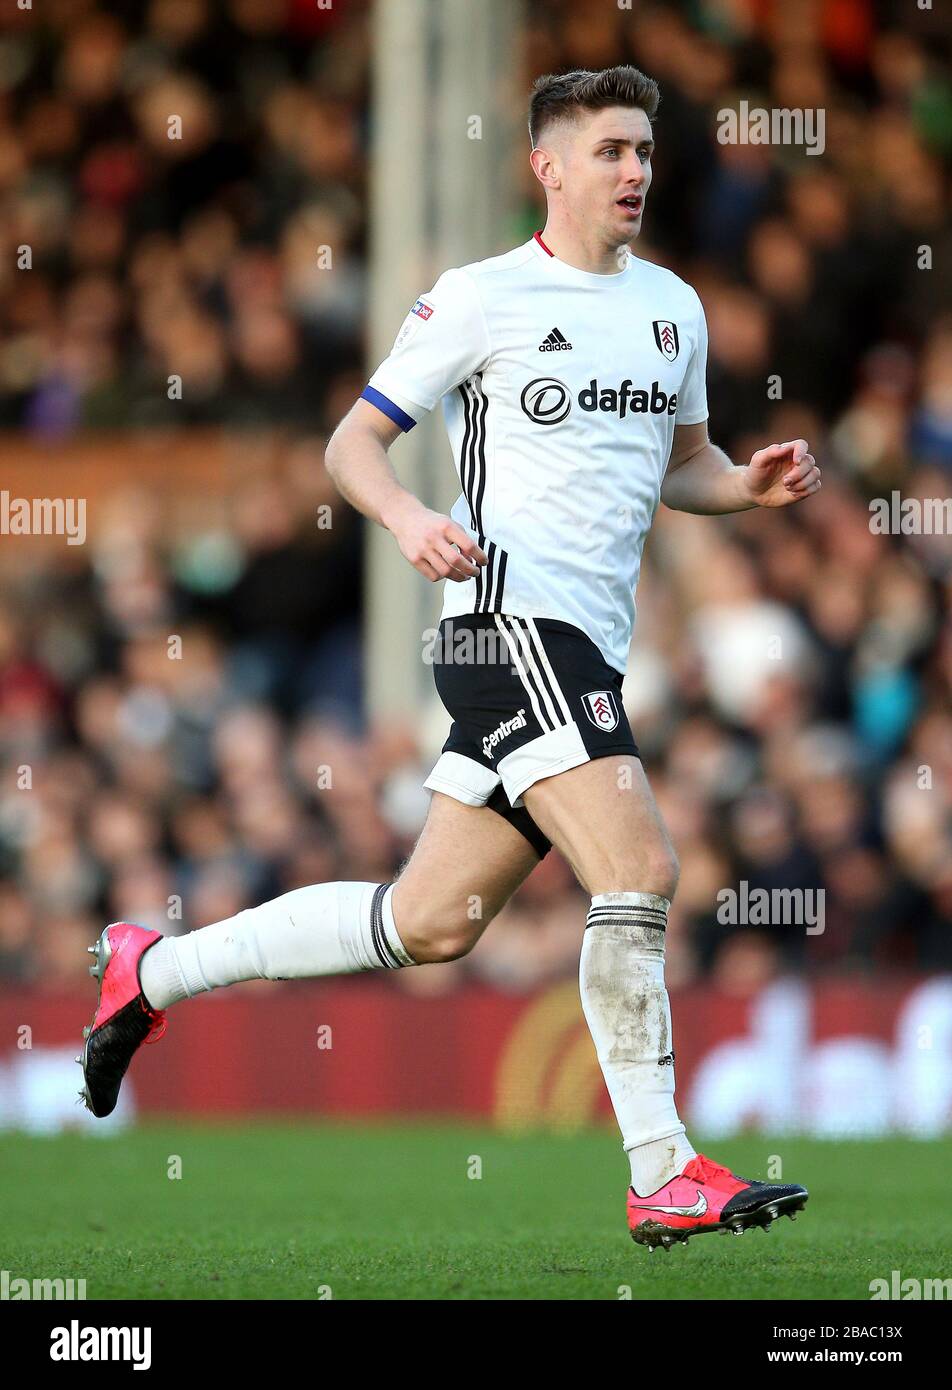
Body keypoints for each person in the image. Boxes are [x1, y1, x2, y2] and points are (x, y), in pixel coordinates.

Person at [80, 65, 817, 1250]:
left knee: (428, 922)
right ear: (550, 166)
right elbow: (350, 444)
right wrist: (407, 519)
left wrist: (744, 486)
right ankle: (661, 1168)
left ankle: (150, 970)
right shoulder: (481, 298)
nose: (633, 170)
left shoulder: (674, 306)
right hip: (510, 628)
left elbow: (682, 467)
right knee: (639, 863)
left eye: (642, 150)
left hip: (587, 649)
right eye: (611, 151)